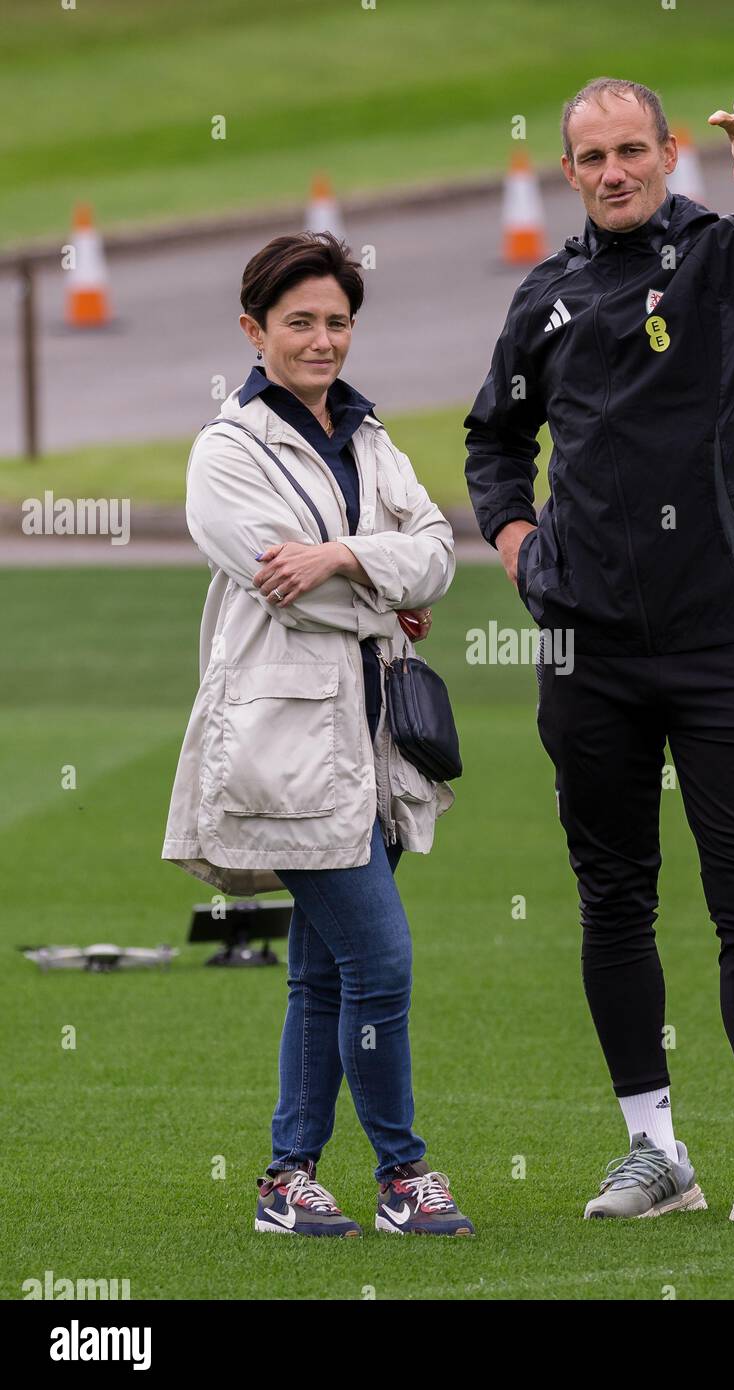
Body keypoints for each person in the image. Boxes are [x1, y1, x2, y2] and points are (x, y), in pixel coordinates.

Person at [464, 81, 734, 1229]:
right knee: (612, 899)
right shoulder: (545, 297)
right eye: (592, 156)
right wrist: (521, 547)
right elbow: (496, 438)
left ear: (672, 152)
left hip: (723, 636)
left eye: (634, 149)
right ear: (568, 171)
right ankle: (655, 1153)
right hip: (590, 648)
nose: (614, 170)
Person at [163, 232, 474, 1237]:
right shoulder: (226, 450)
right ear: (254, 330)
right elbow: (279, 585)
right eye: (299, 320)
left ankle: (286, 1179)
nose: (321, 338)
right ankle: (402, 1174)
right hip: (287, 748)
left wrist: (346, 556)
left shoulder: (372, 437)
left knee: (325, 970)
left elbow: (437, 554)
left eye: (337, 320)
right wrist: (377, 583)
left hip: (374, 746)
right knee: (380, 960)